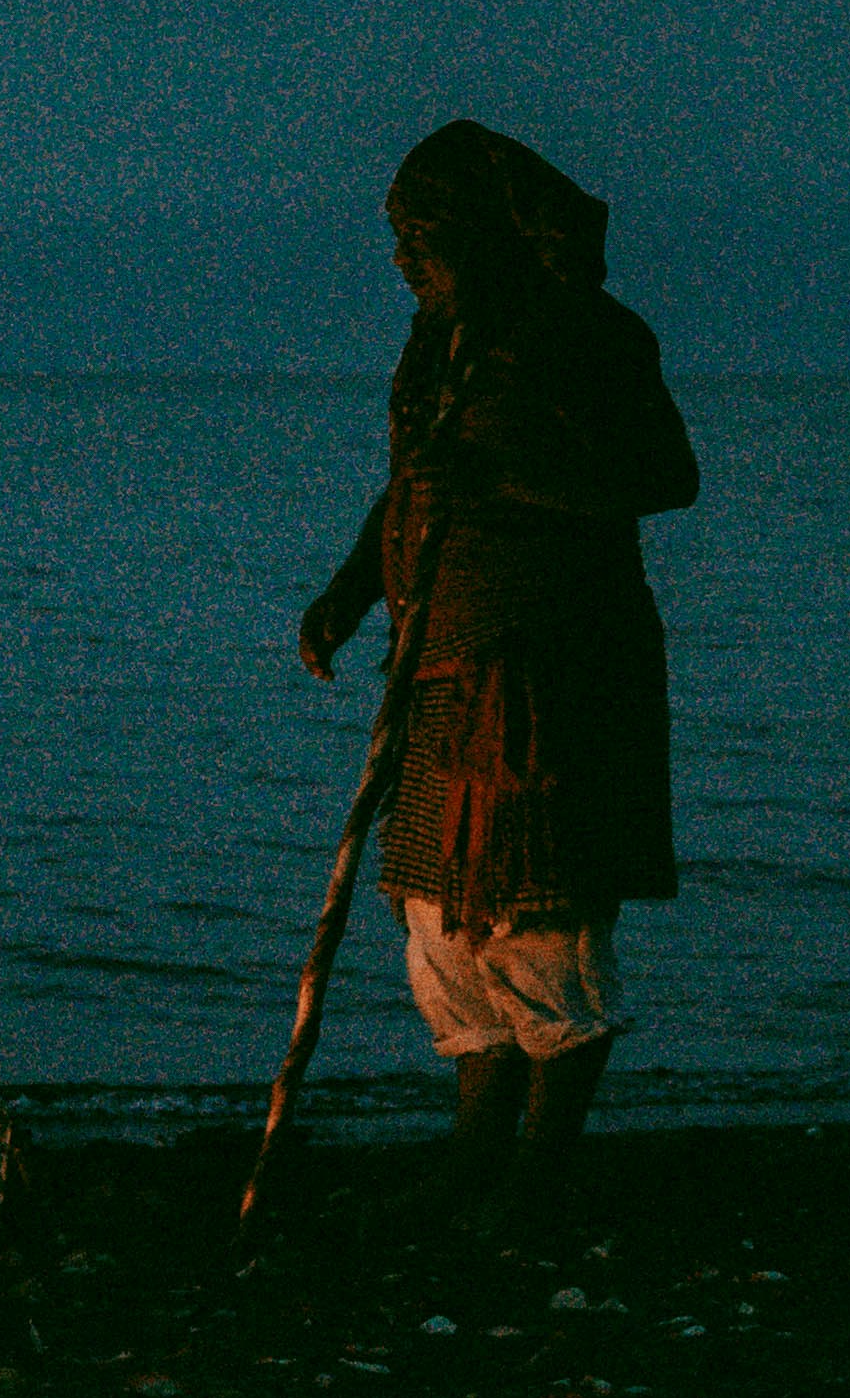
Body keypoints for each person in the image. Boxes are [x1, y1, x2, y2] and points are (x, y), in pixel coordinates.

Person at [295, 121, 700, 1232]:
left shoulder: (587, 338)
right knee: (439, 913)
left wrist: (513, 472)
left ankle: (538, 1175)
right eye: (396, 235)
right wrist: (348, 592)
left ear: (483, 234)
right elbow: (413, 483)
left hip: (553, 666)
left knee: (534, 911)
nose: (401, 257)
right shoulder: (438, 348)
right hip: (441, 663)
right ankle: (473, 1154)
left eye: (420, 234)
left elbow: (665, 475)